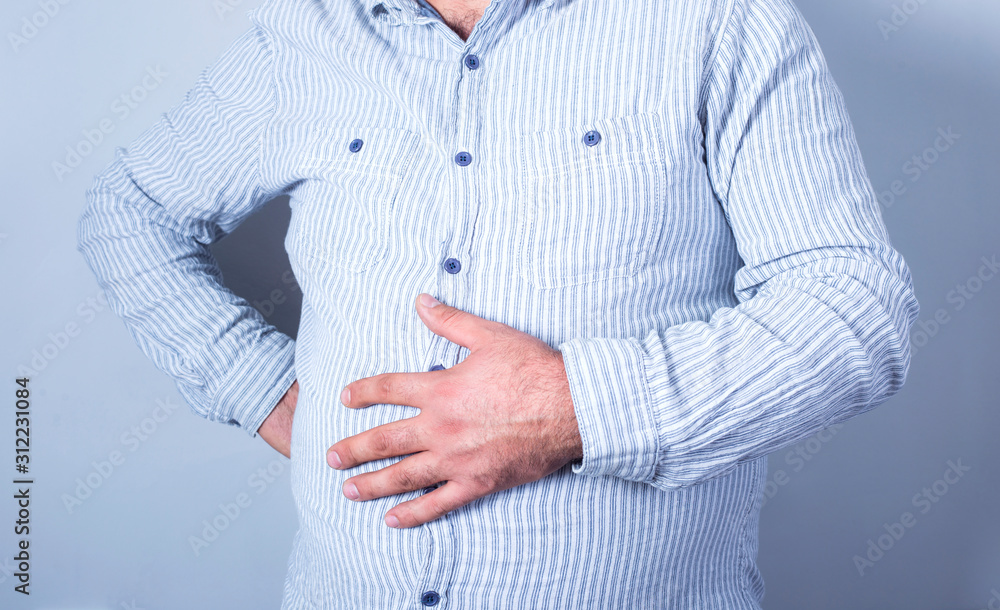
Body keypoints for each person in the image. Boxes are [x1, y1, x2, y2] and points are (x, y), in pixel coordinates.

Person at [77, 0, 920, 607]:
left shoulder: (718, 22)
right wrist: (257, 386)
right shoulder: (302, 39)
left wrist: (571, 409)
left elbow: (852, 308)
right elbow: (130, 213)